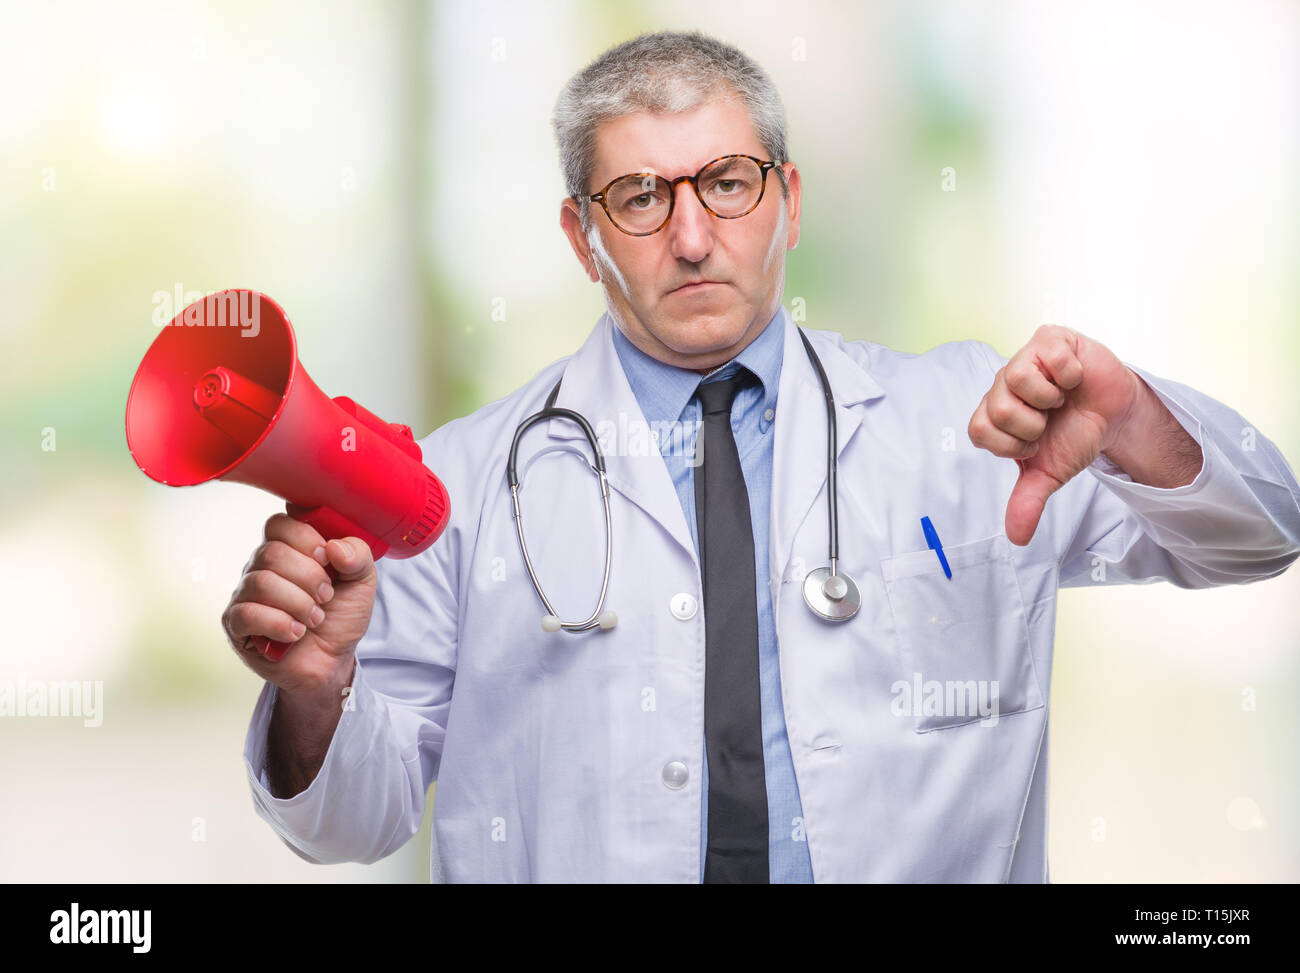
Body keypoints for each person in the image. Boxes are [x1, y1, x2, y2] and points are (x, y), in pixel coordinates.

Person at [223, 30, 1300, 882]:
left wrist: (1131, 424)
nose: (692, 236)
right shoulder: (456, 485)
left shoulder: (970, 422)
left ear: (788, 200)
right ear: (579, 236)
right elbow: (349, 825)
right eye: (641, 197)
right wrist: (319, 692)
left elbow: (1260, 536)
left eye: (728, 183)